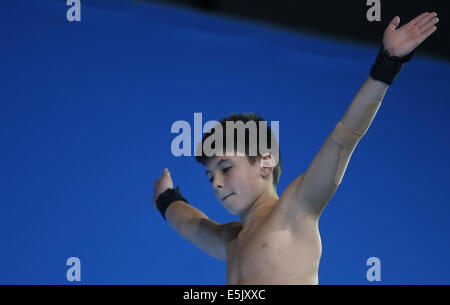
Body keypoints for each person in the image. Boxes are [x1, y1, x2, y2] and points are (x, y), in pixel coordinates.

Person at [152, 12, 439, 284]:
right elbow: (191, 225)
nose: (216, 182)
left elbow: (344, 137)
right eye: (210, 175)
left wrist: (386, 65)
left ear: (265, 163)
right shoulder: (231, 241)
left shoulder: (295, 208)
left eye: (226, 168)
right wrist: (167, 199)